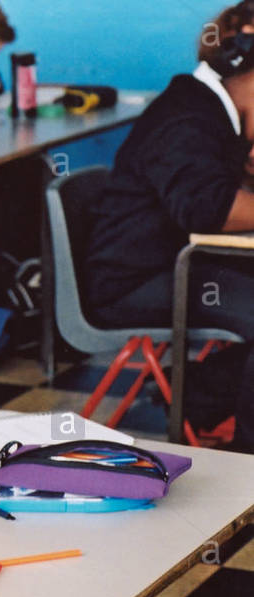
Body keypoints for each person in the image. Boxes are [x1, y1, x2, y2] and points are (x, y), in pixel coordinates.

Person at [86, 21, 254, 450]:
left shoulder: (214, 110)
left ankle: (196, 393)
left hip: (181, 263)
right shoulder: (187, 116)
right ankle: (245, 468)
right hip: (133, 281)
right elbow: (208, 209)